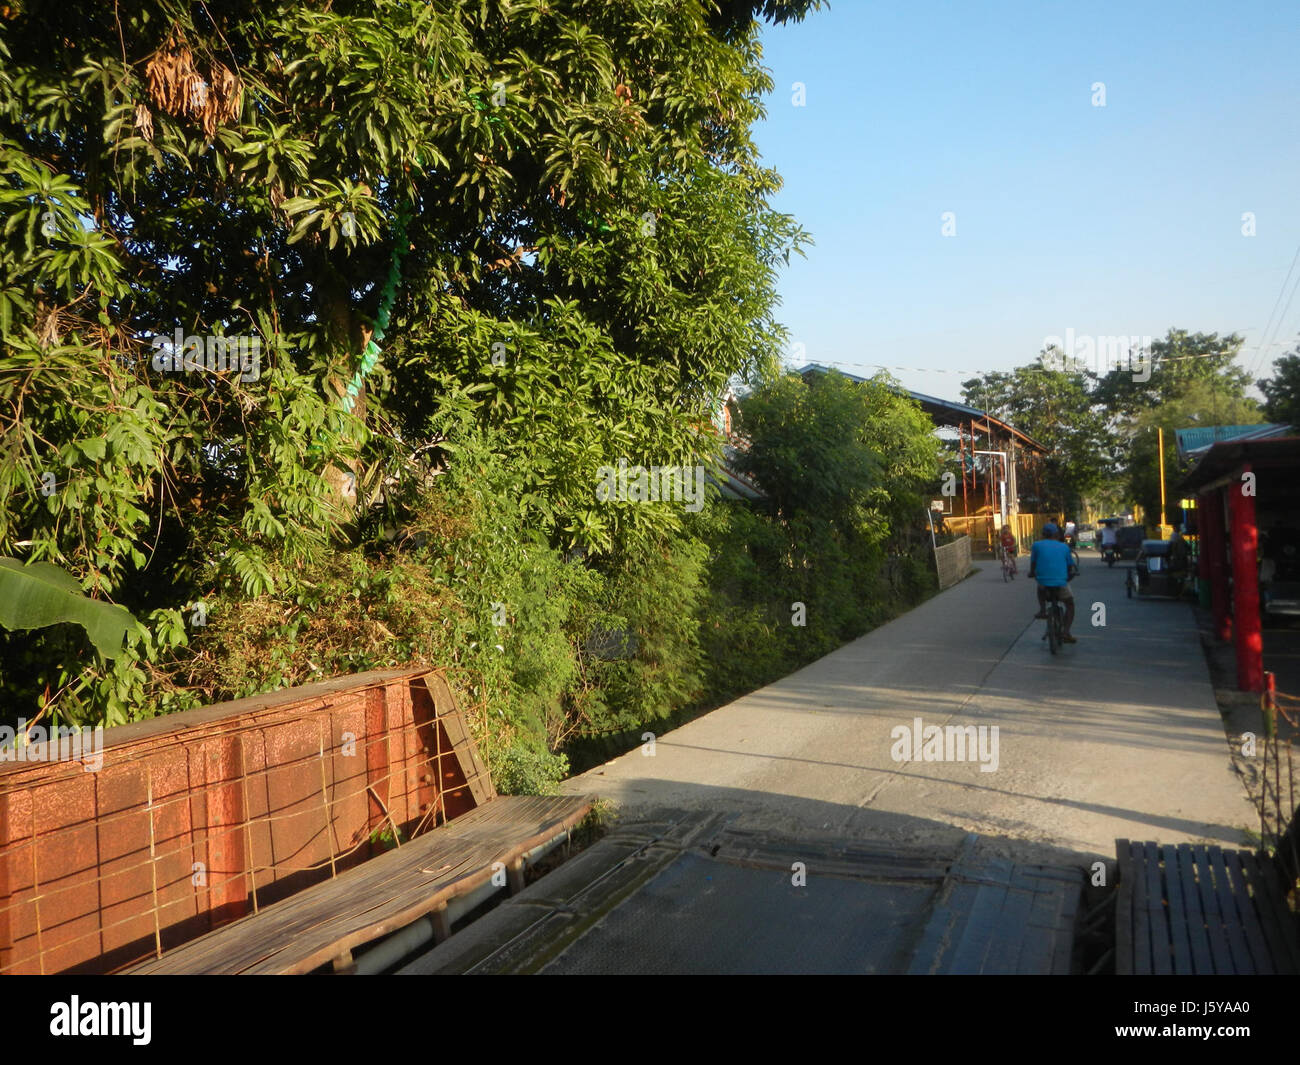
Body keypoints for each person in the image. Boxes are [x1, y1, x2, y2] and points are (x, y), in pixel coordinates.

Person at [1029, 523, 1078, 642]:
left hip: (1043, 582)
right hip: (1061, 582)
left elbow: (1033, 564)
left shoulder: (1036, 545)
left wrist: (1031, 573)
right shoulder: (1064, 547)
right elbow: (1071, 566)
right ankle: (1066, 633)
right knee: (1070, 605)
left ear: (1043, 535)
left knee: (1040, 586)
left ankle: (1042, 610)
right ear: (1057, 534)